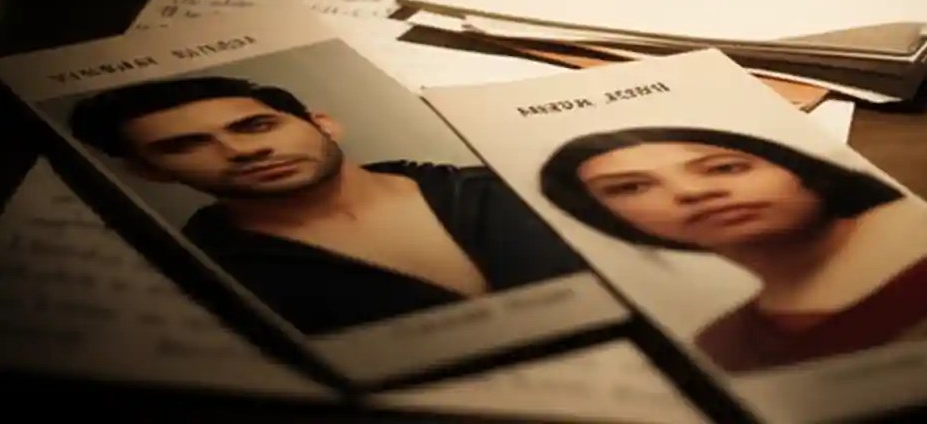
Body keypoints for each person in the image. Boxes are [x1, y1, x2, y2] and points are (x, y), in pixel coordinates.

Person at [68, 76, 585, 335]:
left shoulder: (503, 184)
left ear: (323, 124)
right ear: (150, 172)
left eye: (255, 125)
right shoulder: (196, 278)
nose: (241, 150)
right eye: (184, 146)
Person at [539, 127, 927, 374]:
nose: (693, 193)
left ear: (800, 171)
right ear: (609, 218)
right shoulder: (722, 347)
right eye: (630, 188)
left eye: (725, 168)